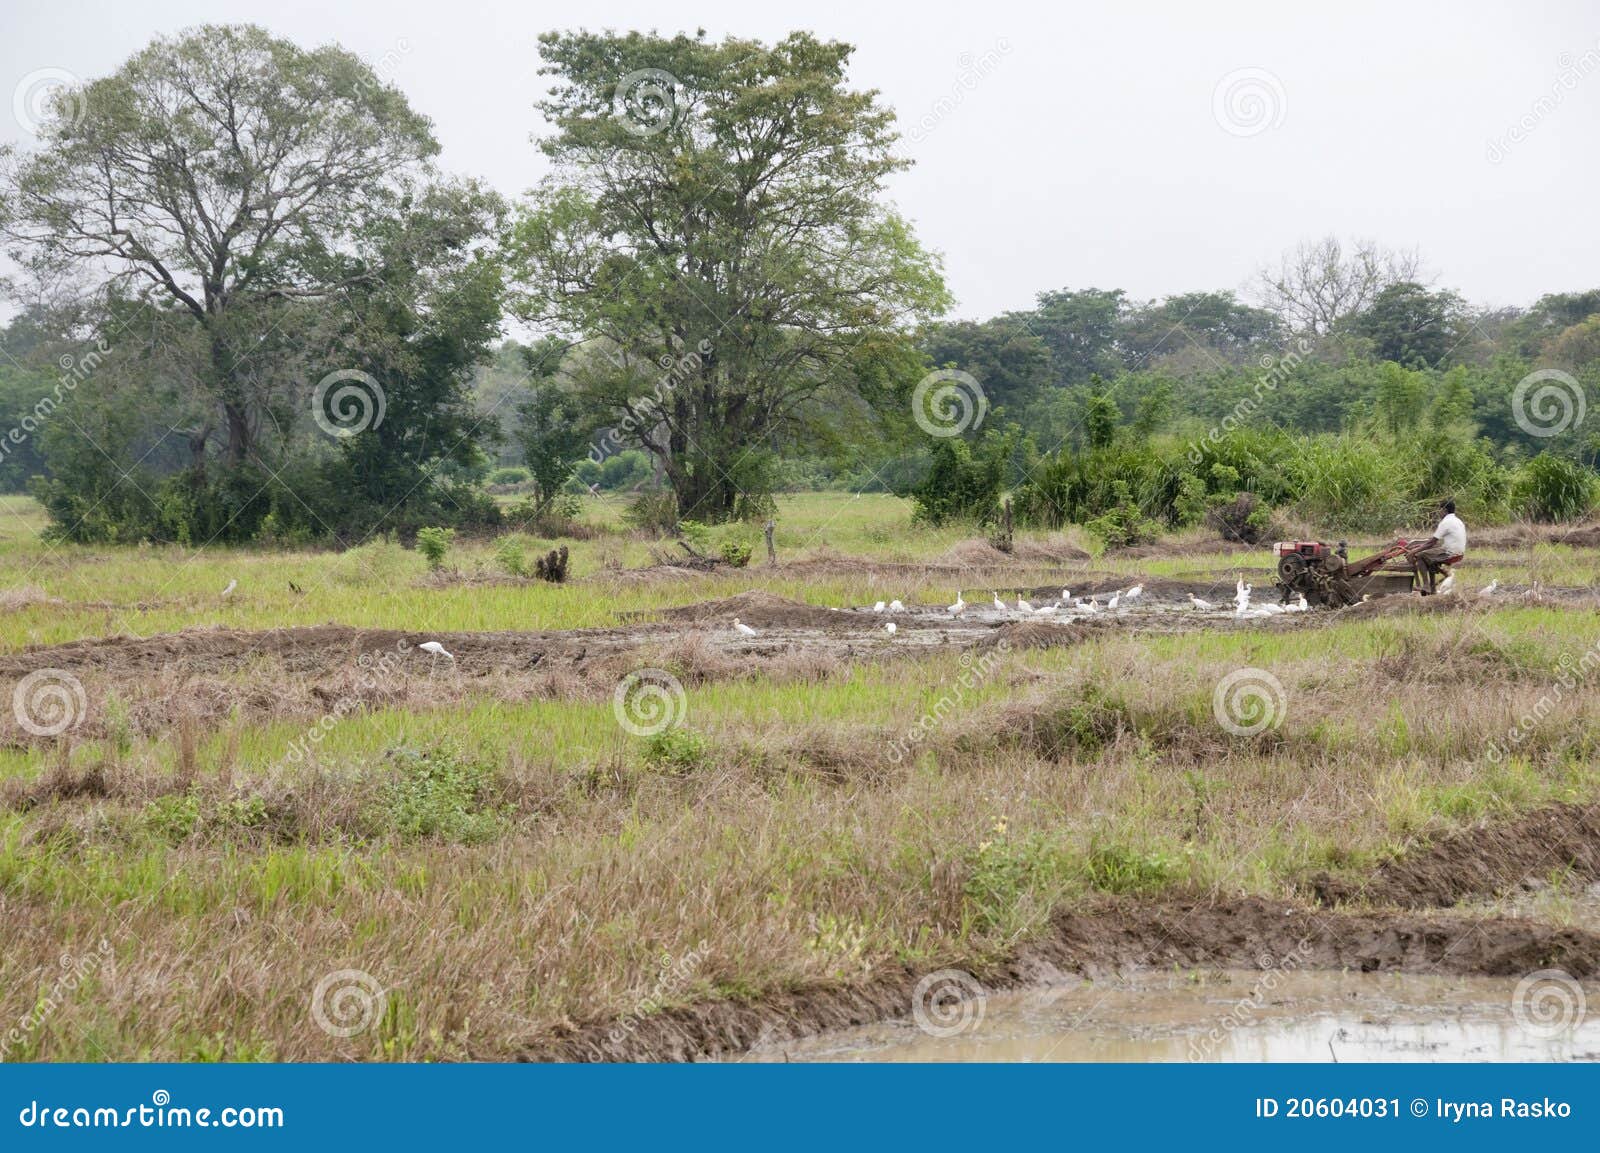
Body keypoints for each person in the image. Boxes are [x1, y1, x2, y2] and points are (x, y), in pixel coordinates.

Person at [1406, 500, 1466, 590]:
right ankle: (1433, 589)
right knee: (1430, 557)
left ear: (1444, 510)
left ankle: (1426, 586)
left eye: (1440, 510)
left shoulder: (1446, 522)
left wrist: (1413, 551)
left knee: (1421, 556)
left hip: (1450, 552)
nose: (1439, 513)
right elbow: (1435, 542)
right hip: (1459, 552)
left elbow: (1431, 542)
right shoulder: (1458, 521)